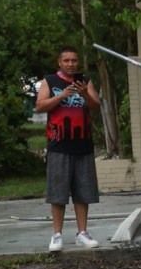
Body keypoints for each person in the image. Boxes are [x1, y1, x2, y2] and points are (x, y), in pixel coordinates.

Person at [34, 47, 102, 251]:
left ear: (78, 62)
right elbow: (40, 106)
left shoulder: (86, 81)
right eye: (66, 60)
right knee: (58, 192)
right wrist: (62, 95)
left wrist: (84, 93)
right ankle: (57, 235)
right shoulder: (50, 81)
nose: (70, 64)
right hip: (59, 145)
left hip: (83, 144)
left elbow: (96, 106)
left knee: (83, 191)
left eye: (74, 60)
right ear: (59, 62)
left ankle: (83, 233)